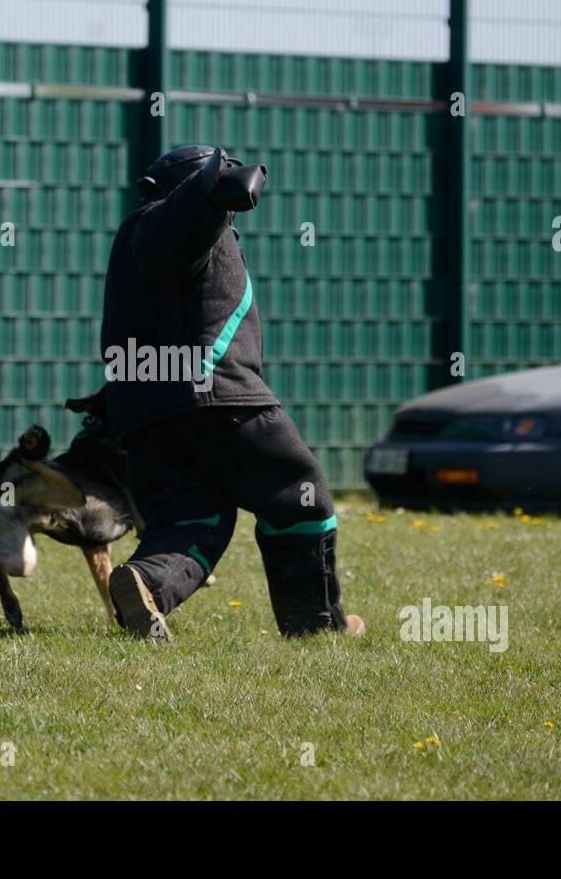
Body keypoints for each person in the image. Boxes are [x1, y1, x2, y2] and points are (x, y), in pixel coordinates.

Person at [99, 144, 365, 640]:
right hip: (218, 398)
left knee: (195, 515)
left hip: (145, 413)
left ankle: (146, 583)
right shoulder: (168, 223)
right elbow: (172, 233)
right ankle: (317, 623)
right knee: (299, 497)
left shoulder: (130, 239)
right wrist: (207, 187)